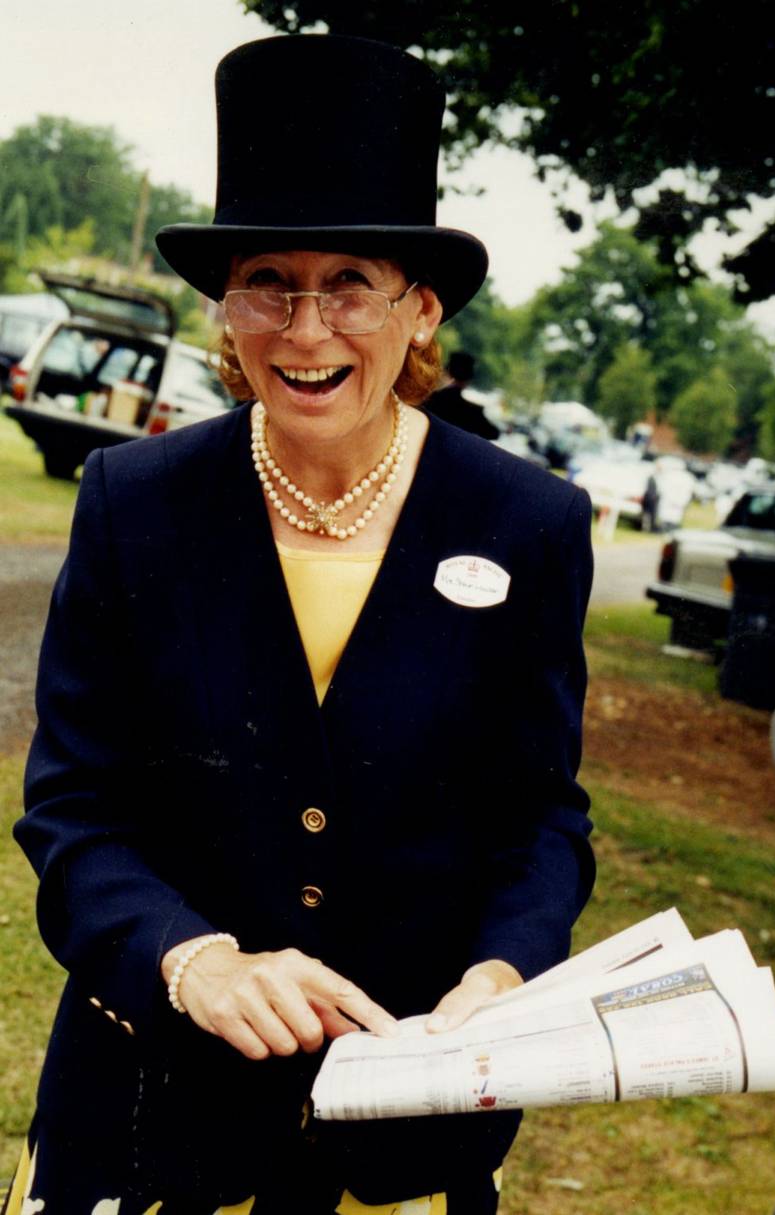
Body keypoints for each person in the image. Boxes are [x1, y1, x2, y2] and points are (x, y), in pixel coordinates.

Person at [6, 34, 595, 1215]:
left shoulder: (528, 522)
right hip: (146, 1105)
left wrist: (502, 972)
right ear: (227, 311)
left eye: (350, 286)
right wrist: (194, 957)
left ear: (420, 311)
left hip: (403, 1121)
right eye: (269, 281)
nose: (307, 329)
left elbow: (541, 816)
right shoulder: (137, 505)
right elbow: (73, 810)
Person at [427, 351, 500, 440]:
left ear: (447, 371)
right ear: (469, 378)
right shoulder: (473, 412)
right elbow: (493, 434)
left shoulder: (429, 401)